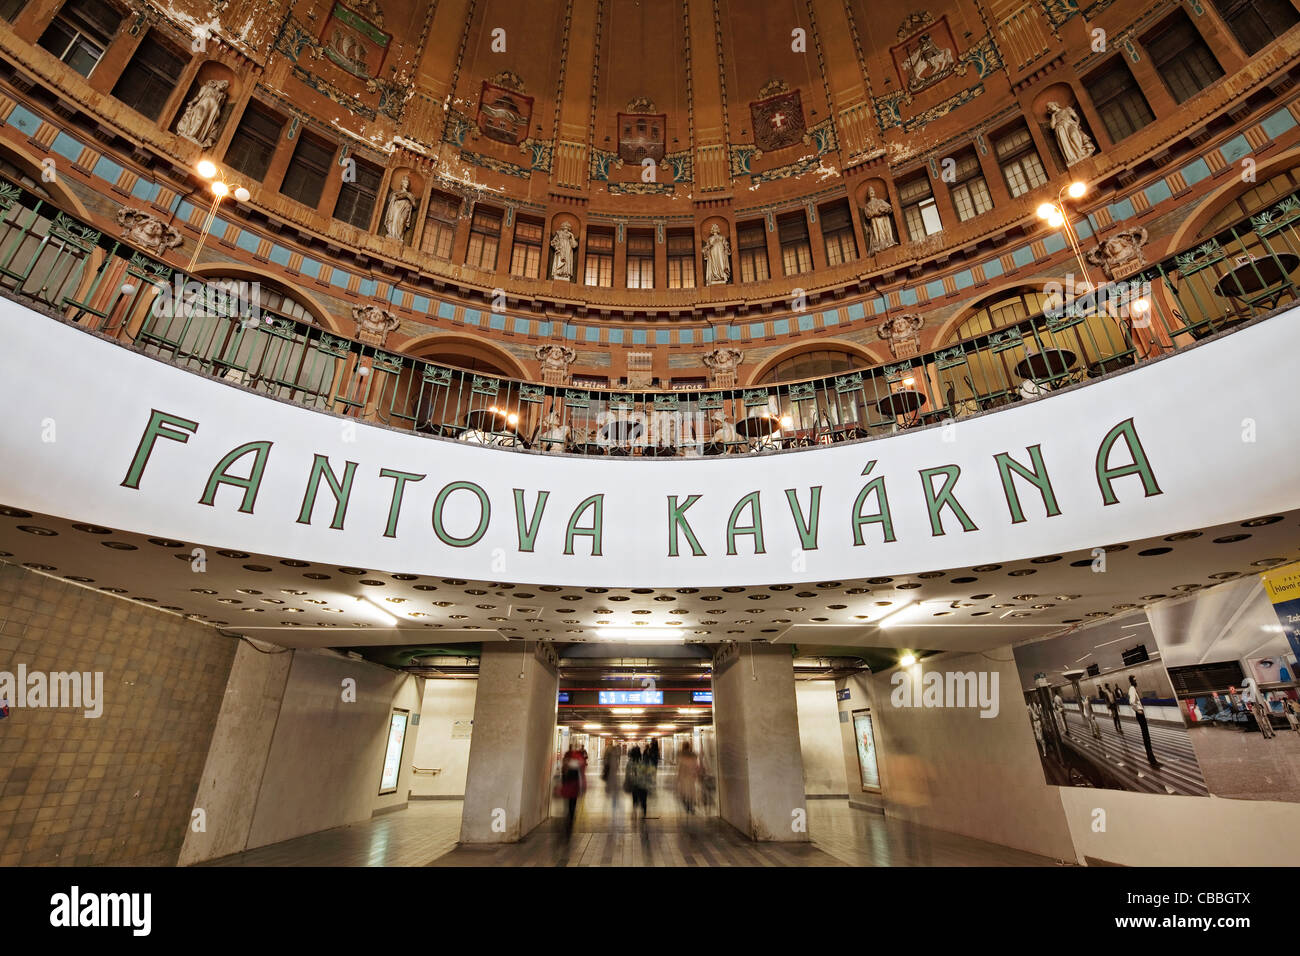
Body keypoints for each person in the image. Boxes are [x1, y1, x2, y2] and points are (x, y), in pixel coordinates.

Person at [1128, 675, 1160, 768]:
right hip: (1140, 714)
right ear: (1131, 681)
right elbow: (1132, 702)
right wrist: (1138, 710)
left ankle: (1151, 757)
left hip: (1140, 714)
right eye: (1134, 680)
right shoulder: (1132, 689)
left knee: (1146, 736)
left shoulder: (1133, 688)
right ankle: (1151, 758)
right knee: (1146, 736)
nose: (1136, 681)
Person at [557, 744, 587, 837]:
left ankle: (569, 816)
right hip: (574, 787)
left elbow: (564, 775)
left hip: (568, 787)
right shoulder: (577, 763)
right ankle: (571, 816)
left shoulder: (567, 763)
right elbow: (581, 775)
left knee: (568, 803)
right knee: (573, 802)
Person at [624, 745, 652, 829]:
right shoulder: (644, 762)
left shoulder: (629, 763)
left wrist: (627, 782)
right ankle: (643, 813)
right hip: (643, 784)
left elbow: (627, 775)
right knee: (644, 799)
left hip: (634, 784)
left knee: (635, 797)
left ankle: (634, 810)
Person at [676, 741, 701, 816]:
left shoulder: (680, 755)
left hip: (684, 776)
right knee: (691, 791)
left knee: (684, 791)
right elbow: (696, 765)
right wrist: (696, 774)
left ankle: (687, 804)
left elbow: (680, 767)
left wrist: (678, 777)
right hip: (691, 776)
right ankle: (691, 806)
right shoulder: (693, 755)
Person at [602, 742, 622, 820]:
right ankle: (612, 790)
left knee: (611, 782)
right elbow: (615, 765)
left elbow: (606, 762)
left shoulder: (608, 756)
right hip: (612, 773)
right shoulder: (613, 756)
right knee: (612, 781)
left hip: (610, 773)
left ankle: (610, 790)